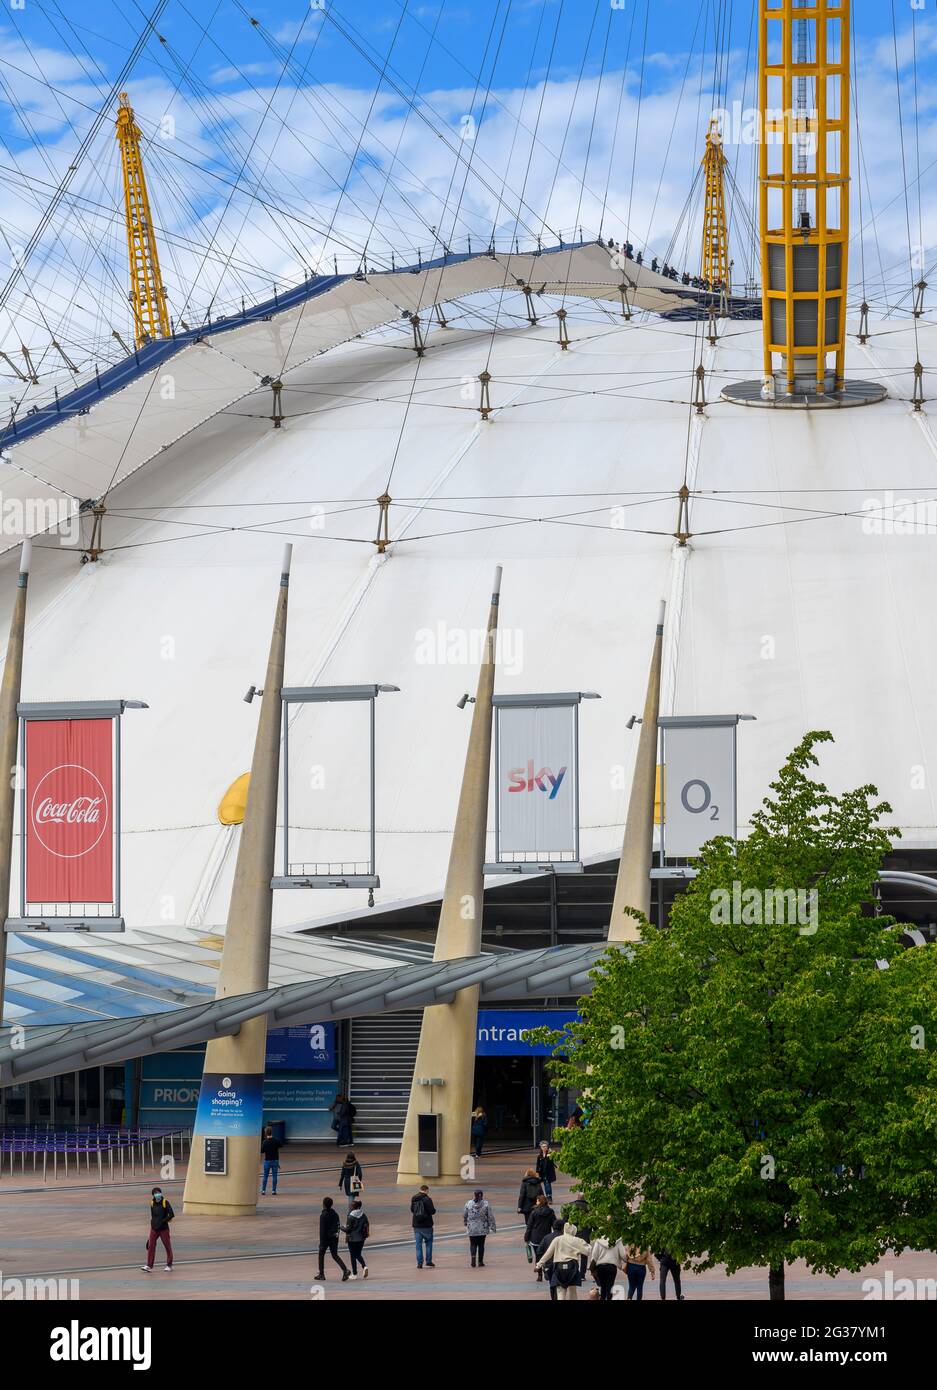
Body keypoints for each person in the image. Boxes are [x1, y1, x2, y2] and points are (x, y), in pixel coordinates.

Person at [535, 1221, 592, 1301]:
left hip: (559, 1267)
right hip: (572, 1267)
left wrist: (538, 1265)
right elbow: (588, 1251)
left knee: (560, 1291)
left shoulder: (557, 1239)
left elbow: (548, 1253)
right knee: (572, 1291)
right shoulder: (577, 1240)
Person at [314, 1196, 350, 1282]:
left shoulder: (323, 1215)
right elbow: (338, 1225)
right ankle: (345, 1270)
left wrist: (322, 1243)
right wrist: (336, 1235)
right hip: (334, 1237)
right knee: (335, 1255)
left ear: (323, 1205)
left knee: (321, 1255)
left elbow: (322, 1230)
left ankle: (322, 1274)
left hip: (326, 1239)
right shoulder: (335, 1214)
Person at [141, 1185, 174, 1272]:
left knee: (167, 1246)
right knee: (151, 1246)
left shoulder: (165, 1202)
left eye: (158, 1192)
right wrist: (153, 1224)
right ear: (153, 1195)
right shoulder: (152, 1203)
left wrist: (163, 1221)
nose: (157, 1194)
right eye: (155, 1193)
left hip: (163, 1229)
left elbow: (171, 1214)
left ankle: (169, 1265)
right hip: (154, 1228)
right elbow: (153, 1215)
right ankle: (149, 1265)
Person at [524, 1194, 555, 1280]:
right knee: (547, 1255)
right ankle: (546, 1269)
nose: (536, 1202)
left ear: (539, 1201)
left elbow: (529, 1226)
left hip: (535, 1238)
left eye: (537, 1200)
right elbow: (554, 1224)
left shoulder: (534, 1212)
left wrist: (526, 1237)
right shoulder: (550, 1212)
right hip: (547, 1237)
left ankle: (539, 1274)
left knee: (538, 1256)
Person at [589, 1235, 630, 1301]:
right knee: (610, 1286)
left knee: (603, 1287)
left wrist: (592, 1267)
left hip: (600, 1267)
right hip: (612, 1267)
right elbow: (623, 1255)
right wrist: (628, 1258)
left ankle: (602, 1298)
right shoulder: (618, 1240)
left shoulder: (599, 1240)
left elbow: (594, 1255)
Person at [463, 1188, 496, 1267]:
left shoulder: (468, 1203)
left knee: (473, 1243)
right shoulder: (486, 1204)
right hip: (482, 1227)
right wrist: (493, 1226)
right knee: (481, 1244)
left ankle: (473, 1259)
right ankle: (480, 1261)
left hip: (472, 1227)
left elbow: (465, 1214)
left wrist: (465, 1222)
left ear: (474, 1195)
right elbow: (490, 1216)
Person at [536, 1218, 564, 1300]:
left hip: (549, 1264)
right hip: (561, 1264)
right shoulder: (564, 1238)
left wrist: (542, 1263)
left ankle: (553, 1297)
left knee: (552, 1284)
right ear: (563, 1228)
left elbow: (539, 1251)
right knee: (561, 1286)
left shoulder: (546, 1237)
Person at [411, 1183, 436, 1268]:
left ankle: (419, 1263)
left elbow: (412, 1210)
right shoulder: (427, 1199)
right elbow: (432, 1211)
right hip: (427, 1225)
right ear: (426, 1190)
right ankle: (428, 1261)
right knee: (428, 1243)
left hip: (417, 1225)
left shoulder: (414, 1198)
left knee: (418, 1245)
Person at [343, 1199, 370, 1279]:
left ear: (354, 1207)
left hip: (352, 1239)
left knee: (353, 1255)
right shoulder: (363, 1214)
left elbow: (348, 1230)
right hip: (361, 1238)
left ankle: (355, 1273)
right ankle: (364, 1267)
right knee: (358, 1254)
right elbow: (367, 1224)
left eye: (351, 1205)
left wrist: (341, 1227)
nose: (350, 1206)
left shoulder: (350, 1216)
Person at [260, 1125, 283, 1196]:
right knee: (274, 1176)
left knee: (265, 1176)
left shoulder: (265, 1142)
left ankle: (263, 1190)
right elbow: (281, 1145)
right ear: (271, 1132)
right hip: (275, 1161)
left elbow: (262, 1151)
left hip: (267, 1161)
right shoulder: (276, 1140)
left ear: (266, 1133)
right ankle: (273, 1190)